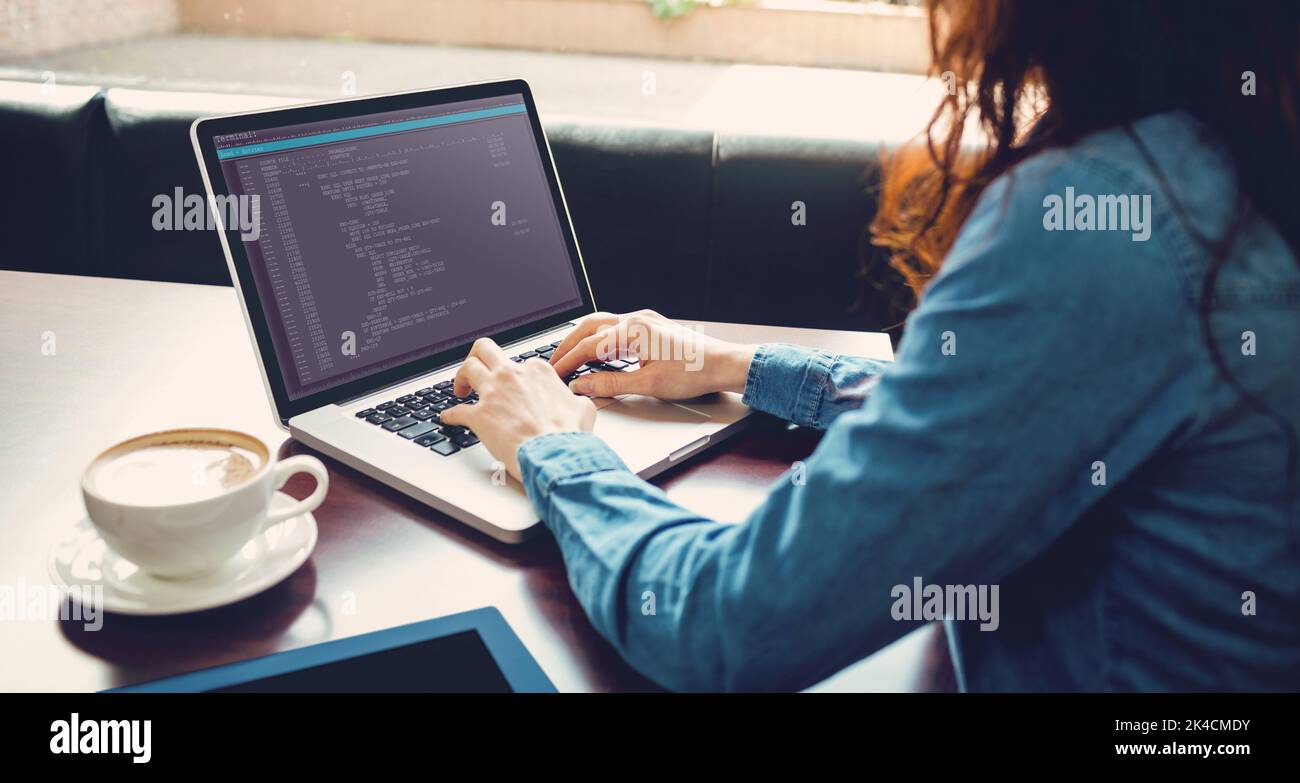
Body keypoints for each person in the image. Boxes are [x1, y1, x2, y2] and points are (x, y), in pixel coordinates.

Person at [439, 0, 1300, 691]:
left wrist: (554, 449)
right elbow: (1017, 410)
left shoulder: (1105, 218)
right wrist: (737, 366)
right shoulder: (1242, 158)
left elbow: (722, 626)